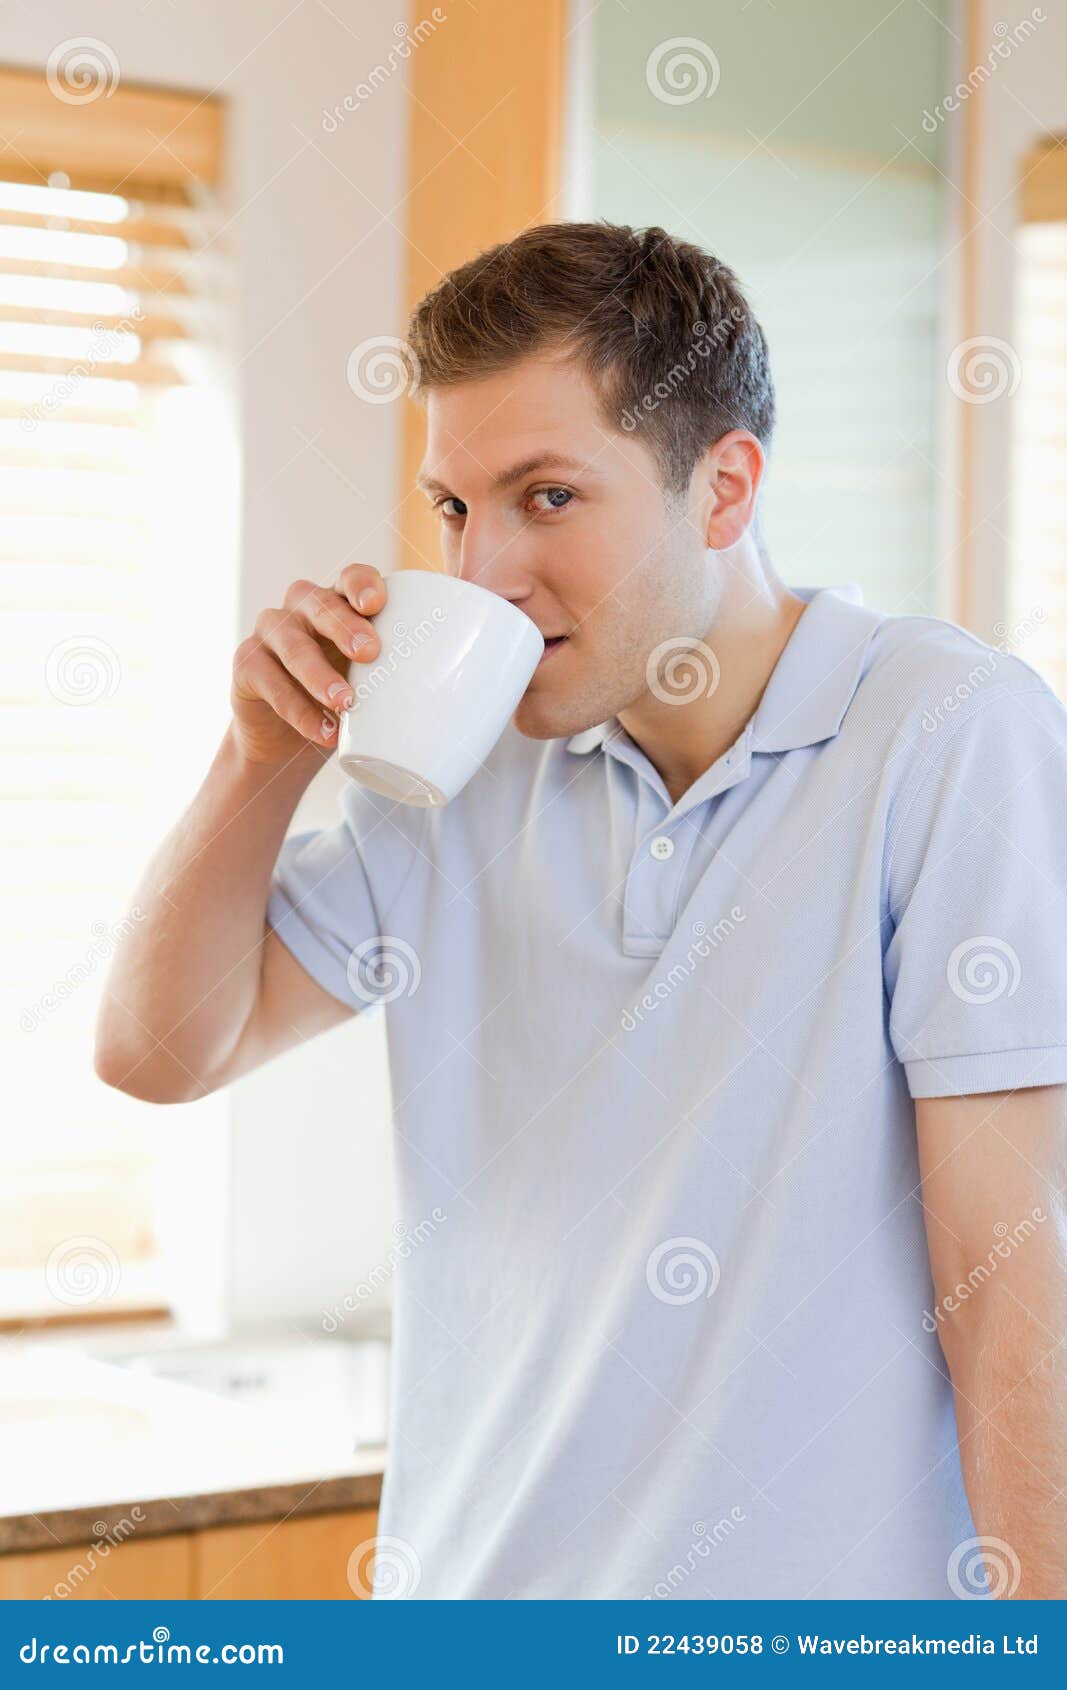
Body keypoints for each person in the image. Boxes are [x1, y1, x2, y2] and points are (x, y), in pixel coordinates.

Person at [96, 222, 1067, 1600]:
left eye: (548, 496)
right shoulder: (463, 766)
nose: (482, 566)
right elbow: (158, 1047)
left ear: (725, 488)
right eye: (452, 505)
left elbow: (1010, 1275)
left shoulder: (947, 734)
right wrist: (261, 758)